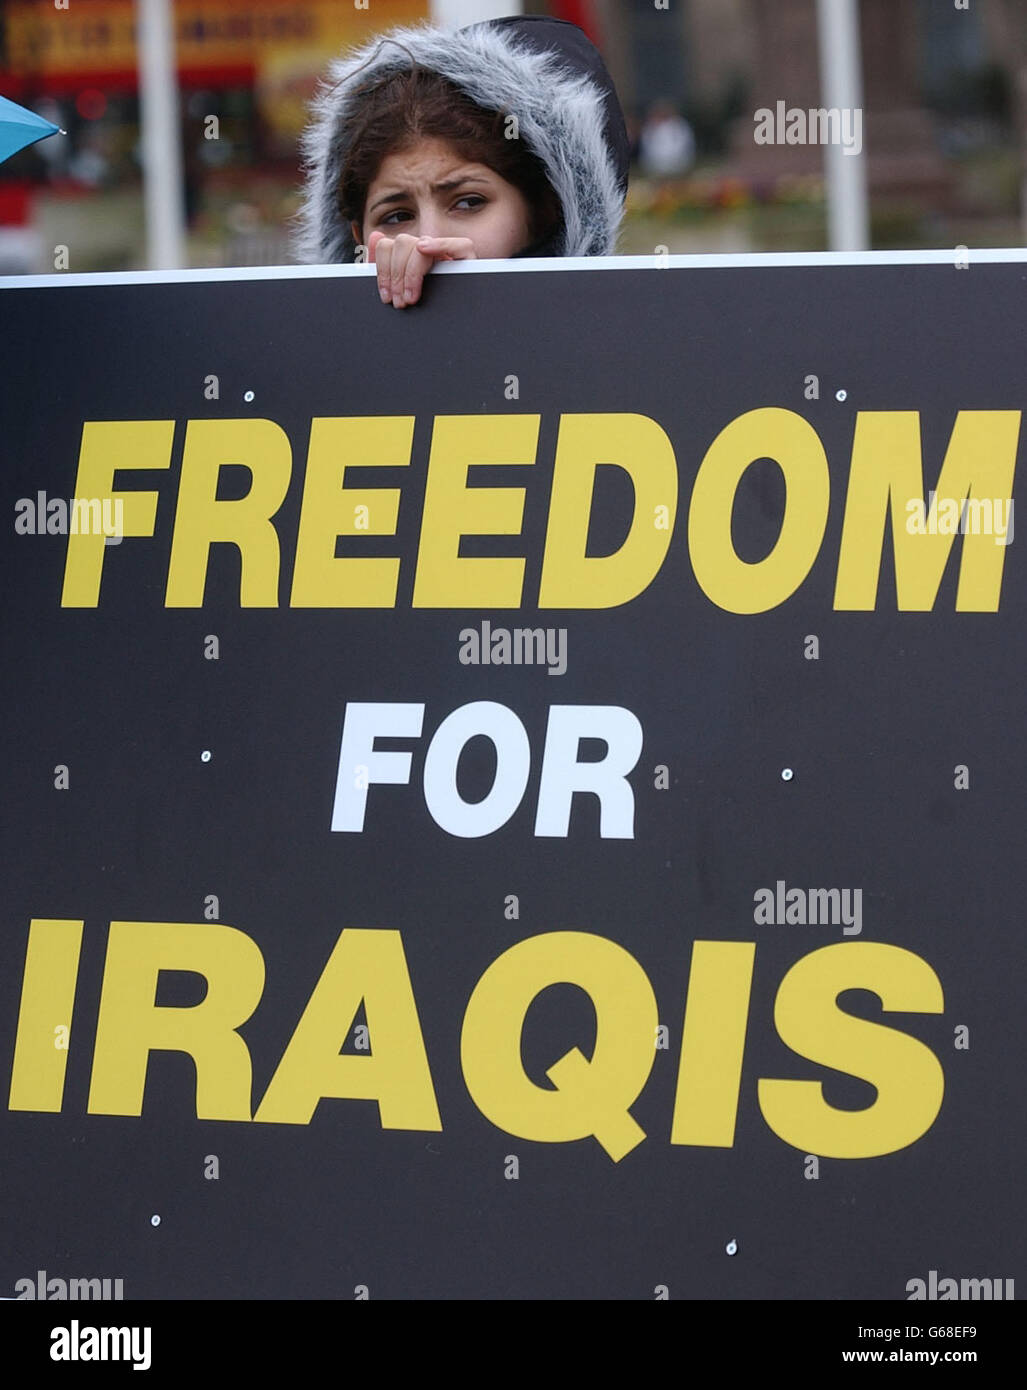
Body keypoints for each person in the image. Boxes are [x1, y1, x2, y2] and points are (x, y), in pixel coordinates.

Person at [290, 15, 630, 307]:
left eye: (468, 202)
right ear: (358, 239)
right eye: (396, 216)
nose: (428, 242)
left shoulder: (613, 360)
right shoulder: (322, 371)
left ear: (544, 212)